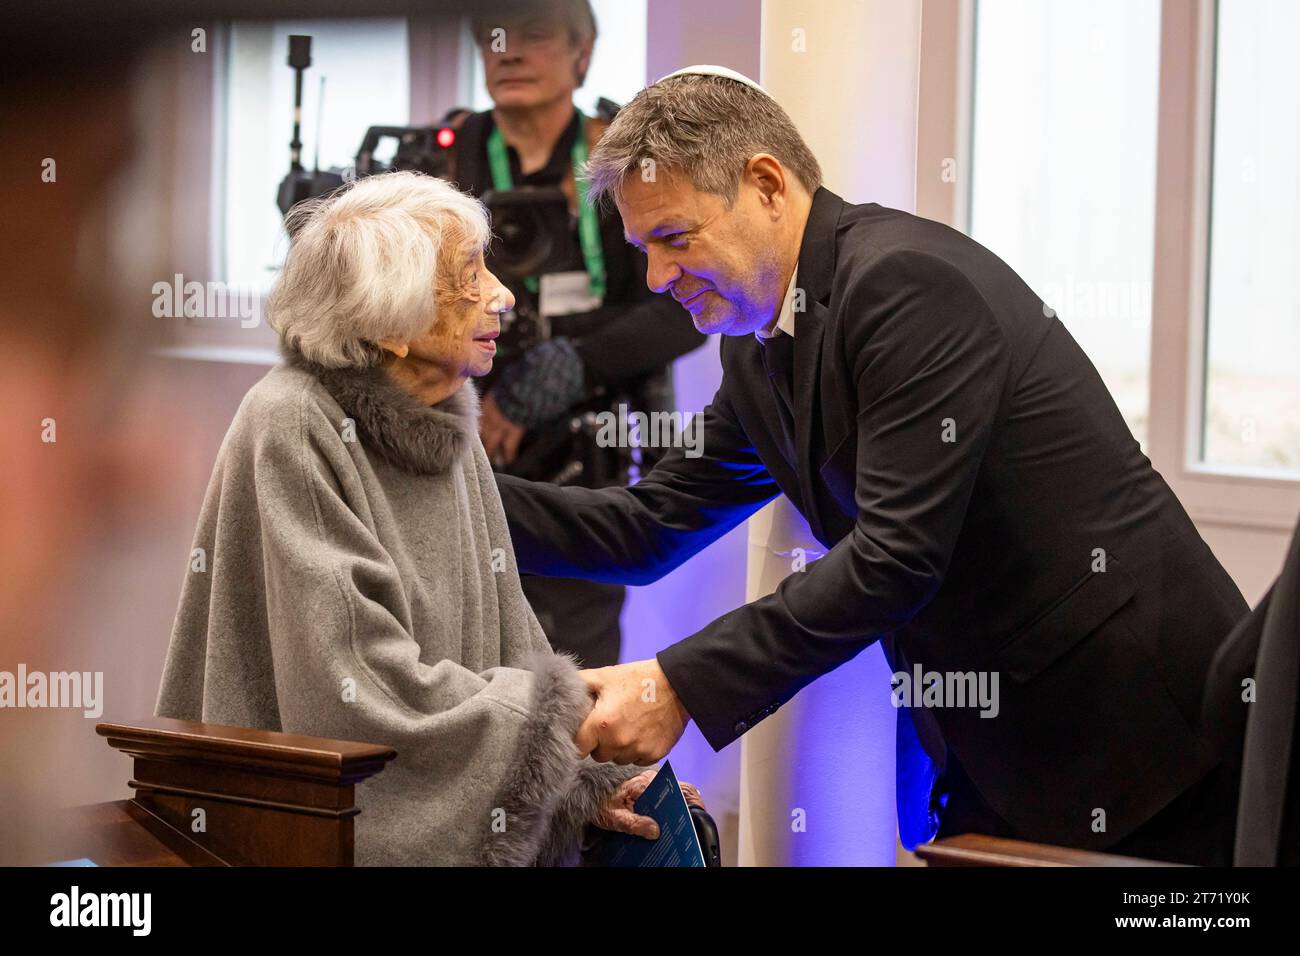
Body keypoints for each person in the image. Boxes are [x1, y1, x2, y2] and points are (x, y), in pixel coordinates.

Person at [494, 67, 1250, 865]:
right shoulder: (756, 344)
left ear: (766, 184)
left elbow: (896, 559)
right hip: (993, 745)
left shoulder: (903, 285)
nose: (656, 277)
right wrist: (450, 491)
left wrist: (681, 682)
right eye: (643, 249)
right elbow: (648, 525)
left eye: (675, 238)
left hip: (1141, 735)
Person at [154, 171, 702, 865]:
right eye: (471, 276)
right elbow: (353, 692)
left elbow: (512, 641)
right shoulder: (290, 422)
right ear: (392, 321)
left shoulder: (446, 420)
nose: (503, 296)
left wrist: (584, 781)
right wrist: (557, 714)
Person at [449, 0, 705, 668]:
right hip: (462, 454)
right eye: (492, 36)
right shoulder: (443, 161)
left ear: (582, 54)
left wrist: (566, 367)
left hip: (583, 462)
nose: (508, 51)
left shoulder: (622, 161)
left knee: (572, 682)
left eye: (533, 36)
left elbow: (678, 308)